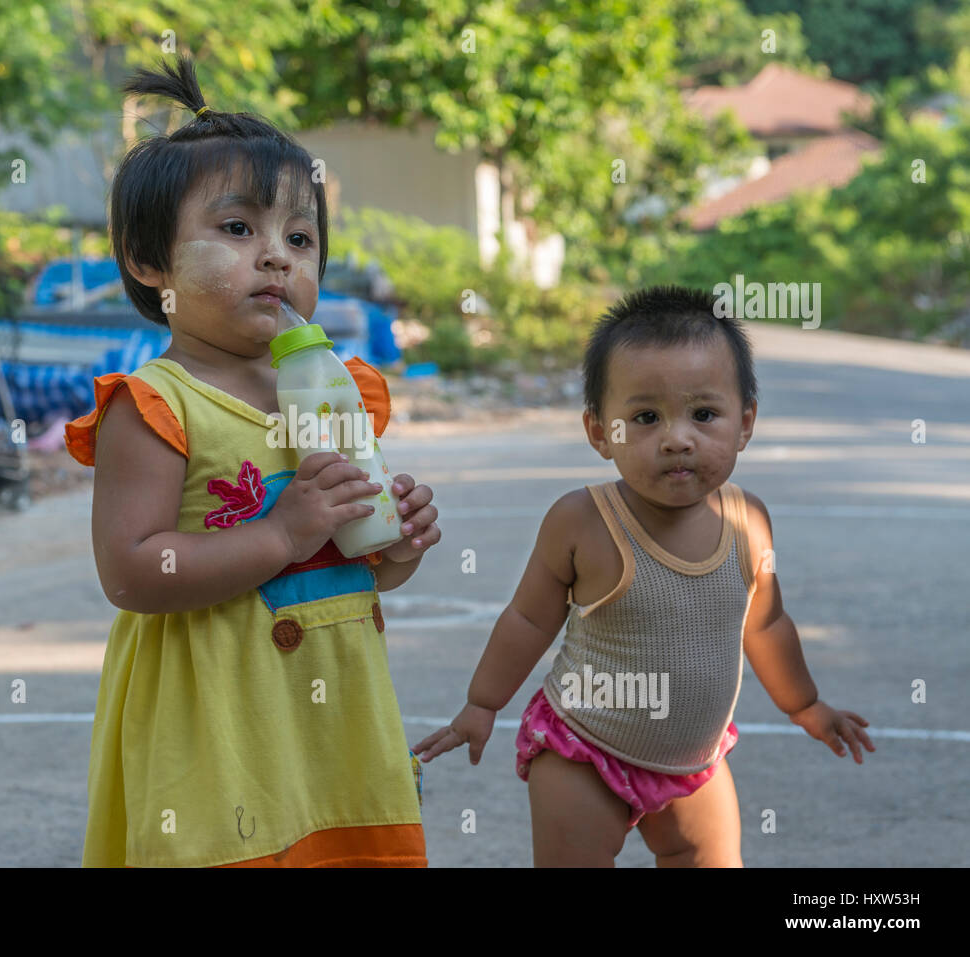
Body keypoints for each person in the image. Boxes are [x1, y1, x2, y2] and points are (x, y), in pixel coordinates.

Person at [64, 55, 441, 867]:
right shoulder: (157, 405)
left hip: (335, 723)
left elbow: (355, 566)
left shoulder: (333, 390)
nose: (277, 257)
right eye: (238, 230)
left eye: (299, 238)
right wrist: (281, 531)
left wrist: (395, 543)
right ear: (148, 261)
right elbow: (131, 571)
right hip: (223, 731)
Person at [412, 285, 875, 867]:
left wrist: (806, 706)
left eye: (704, 414)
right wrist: (483, 704)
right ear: (600, 431)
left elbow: (767, 624)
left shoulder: (749, 521)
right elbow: (528, 619)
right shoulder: (582, 521)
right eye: (645, 417)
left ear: (746, 422)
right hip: (583, 747)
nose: (677, 437)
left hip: (694, 760)